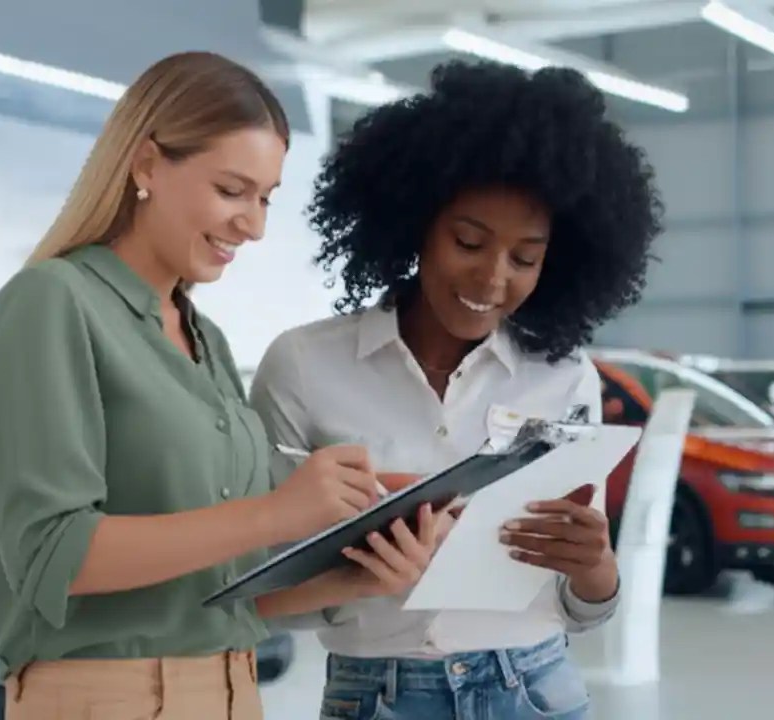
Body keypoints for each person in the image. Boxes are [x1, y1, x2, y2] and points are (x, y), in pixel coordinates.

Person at [0, 51, 449, 720]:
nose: (253, 225)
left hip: (231, 690)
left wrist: (350, 575)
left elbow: (216, 593)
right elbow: (52, 557)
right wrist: (278, 513)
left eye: (265, 198)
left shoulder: (205, 340)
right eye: (231, 190)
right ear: (145, 165)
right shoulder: (52, 304)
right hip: (104, 700)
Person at [249, 60, 663, 720]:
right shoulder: (303, 366)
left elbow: (580, 606)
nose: (494, 278)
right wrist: (361, 576)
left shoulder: (564, 376)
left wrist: (595, 570)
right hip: (375, 695)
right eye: (468, 241)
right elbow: (259, 592)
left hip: (536, 688)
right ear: (417, 222)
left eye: (525, 258)